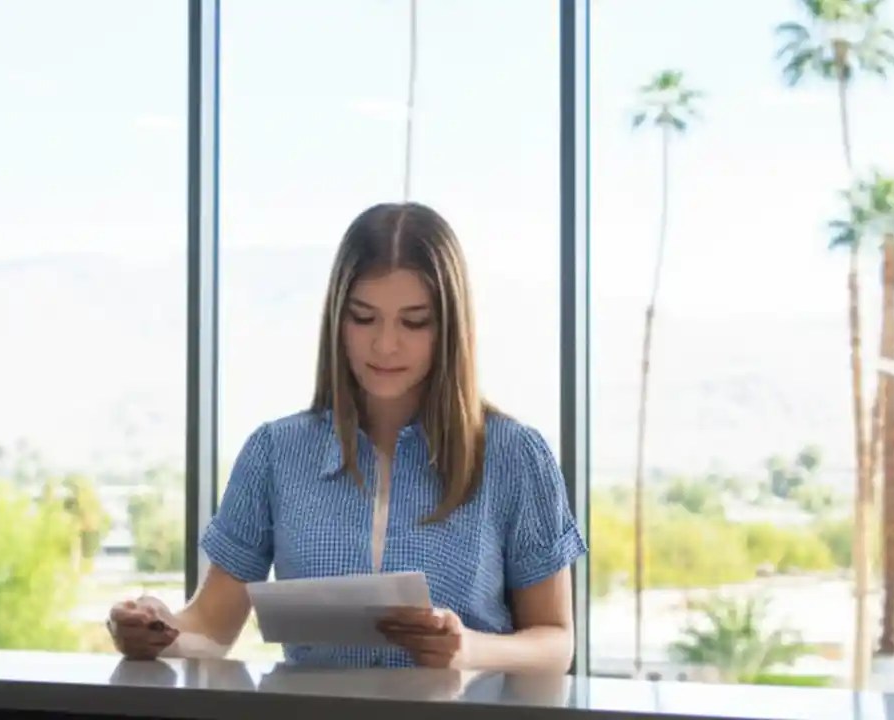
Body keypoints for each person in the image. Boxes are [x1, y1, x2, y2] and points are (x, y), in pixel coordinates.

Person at [108, 202, 587, 672]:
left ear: (450, 329)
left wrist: (469, 651)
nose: (385, 344)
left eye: (414, 322)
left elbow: (555, 642)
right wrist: (155, 628)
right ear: (337, 319)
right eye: (363, 317)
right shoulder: (274, 454)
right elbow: (210, 631)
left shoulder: (515, 457)